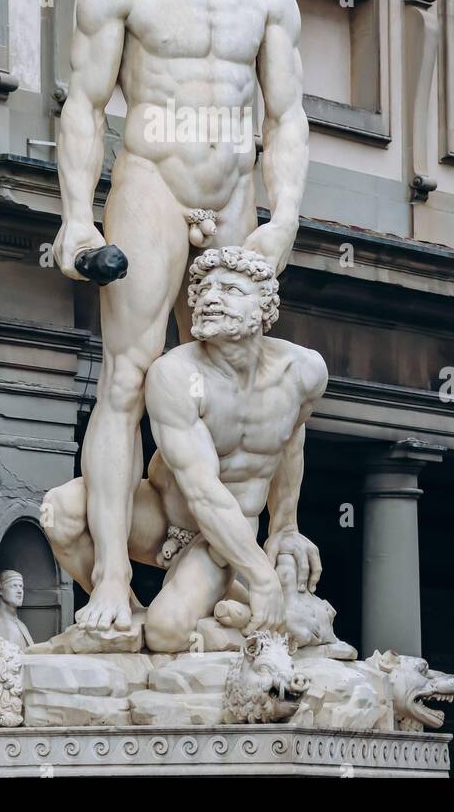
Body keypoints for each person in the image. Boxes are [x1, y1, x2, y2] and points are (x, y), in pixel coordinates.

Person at [53, 0, 309, 632]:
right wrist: (76, 221)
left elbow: (289, 117)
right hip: (153, 183)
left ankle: (247, 565)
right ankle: (108, 586)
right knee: (126, 382)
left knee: (244, 377)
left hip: (235, 187)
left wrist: (286, 221)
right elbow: (84, 108)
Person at [41, 247, 327, 652]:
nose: (210, 297)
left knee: (168, 632)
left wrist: (285, 526)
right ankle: (126, 613)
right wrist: (263, 577)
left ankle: (228, 623)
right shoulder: (176, 374)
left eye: (229, 289)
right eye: (204, 289)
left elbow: (289, 440)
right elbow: (201, 489)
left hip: (224, 537)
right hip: (162, 514)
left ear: (264, 305)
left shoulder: (304, 371)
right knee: (61, 509)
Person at [0, 570, 32, 650]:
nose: (20, 591)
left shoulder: (21, 625)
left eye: (21, 586)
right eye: (14, 586)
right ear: (0, 590)